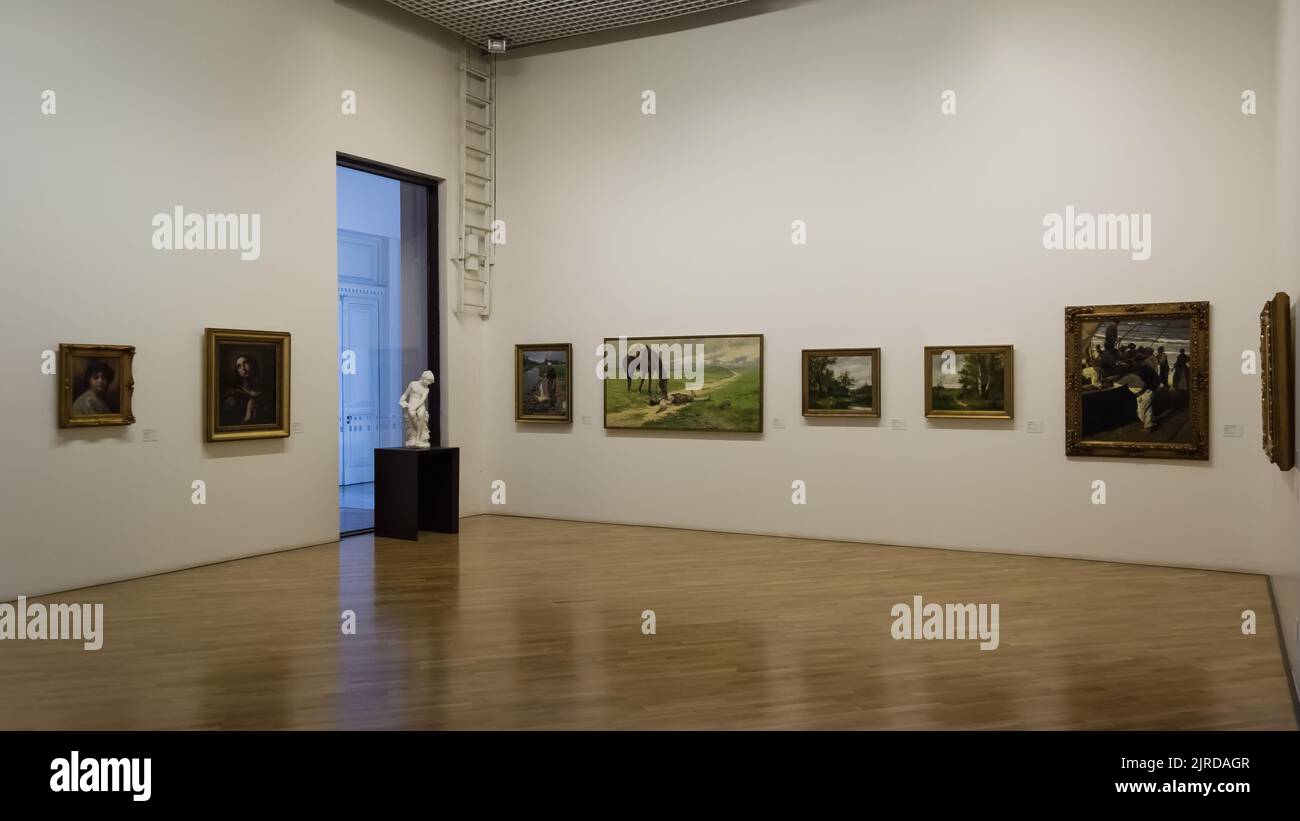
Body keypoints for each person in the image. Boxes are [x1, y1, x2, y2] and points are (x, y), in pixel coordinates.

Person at [1096, 324, 1160, 432]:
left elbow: (1120, 371)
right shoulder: (1131, 372)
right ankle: (1152, 422)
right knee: (1141, 413)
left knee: (1144, 412)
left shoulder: (1129, 375)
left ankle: (1149, 427)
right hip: (1141, 393)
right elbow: (1122, 367)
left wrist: (1108, 379)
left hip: (1145, 393)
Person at [221, 353, 271, 426]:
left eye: (246, 363)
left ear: (253, 365)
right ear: (237, 371)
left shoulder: (265, 393)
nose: (243, 368)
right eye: (239, 366)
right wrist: (247, 417)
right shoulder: (233, 398)